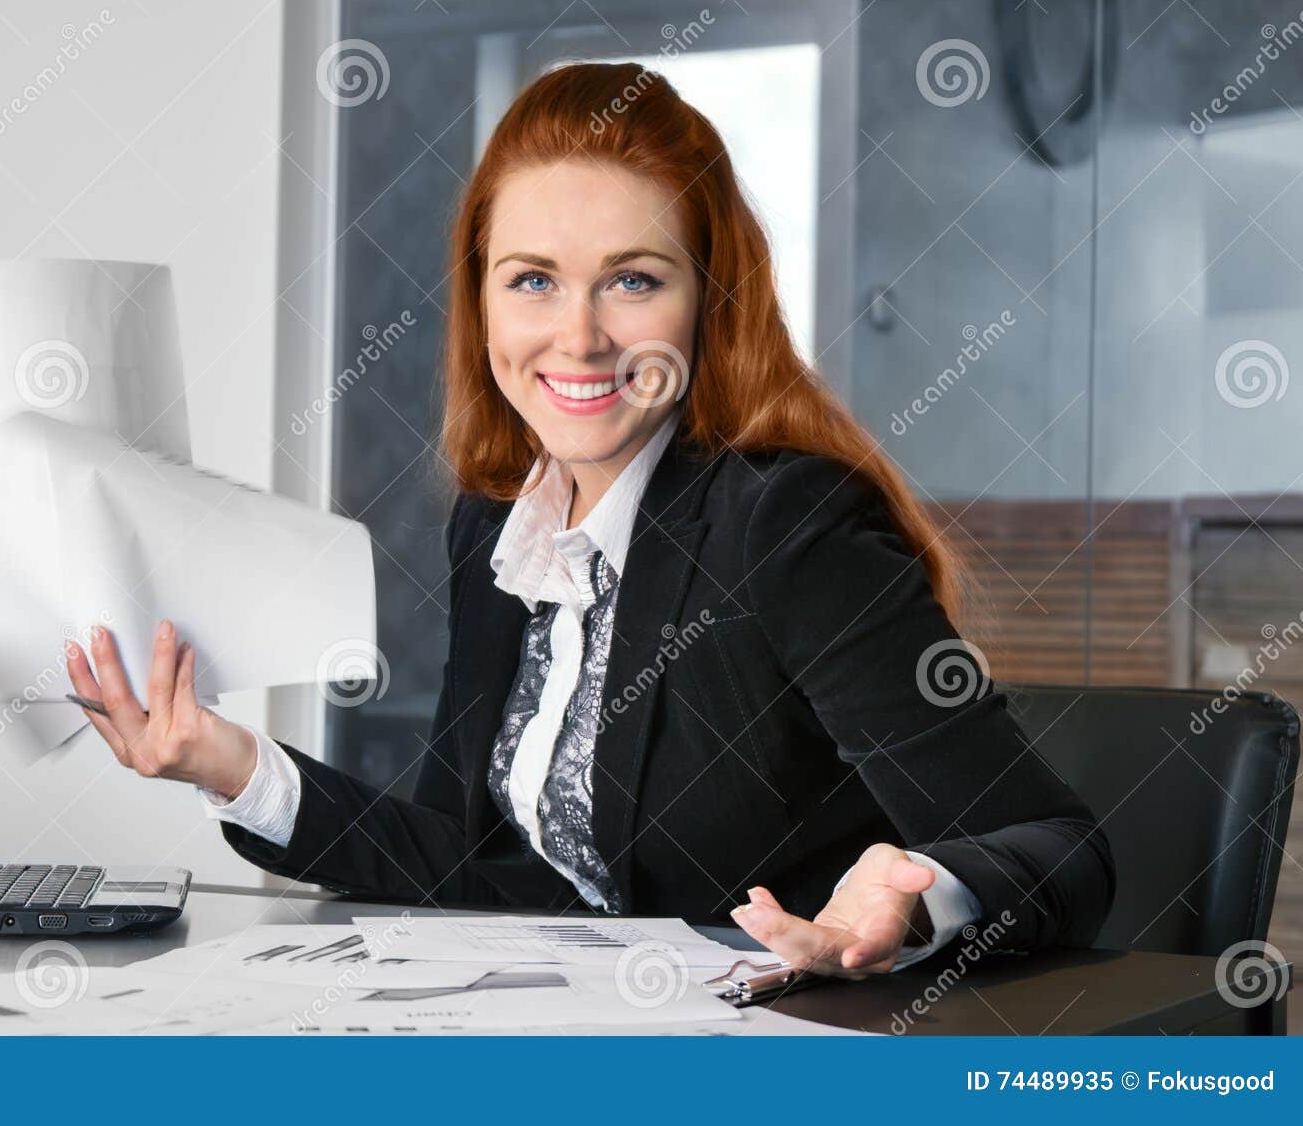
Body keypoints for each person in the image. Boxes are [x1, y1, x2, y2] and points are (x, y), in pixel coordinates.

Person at [65, 62, 1114, 977]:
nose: (577, 336)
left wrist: (920, 890)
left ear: (707, 301)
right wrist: (228, 762)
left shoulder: (785, 525)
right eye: (532, 280)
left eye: (632, 280)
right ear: (481, 305)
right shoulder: (497, 531)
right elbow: (462, 861)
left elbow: (1063, 845)